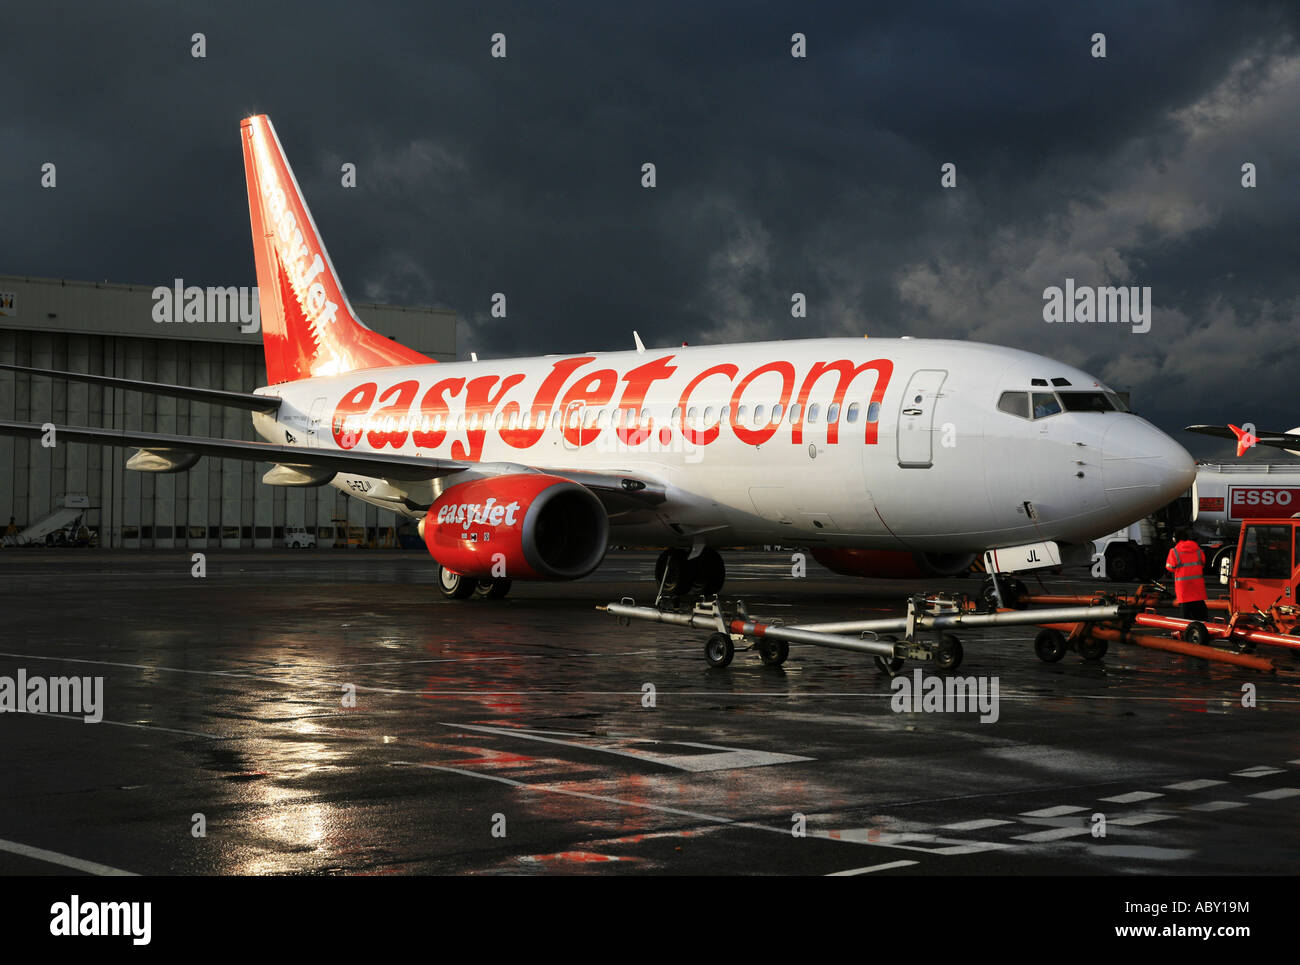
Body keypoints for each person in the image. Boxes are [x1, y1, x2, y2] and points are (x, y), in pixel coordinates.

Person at [1165, 528, 1208, 621]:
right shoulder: (1197, 550)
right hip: (1197, 588)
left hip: (1183, 590)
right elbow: (1203, 563)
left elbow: (1170, 567)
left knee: (1186, 619)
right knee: (1202, 617)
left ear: (1175, 539)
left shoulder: (1174, 551)